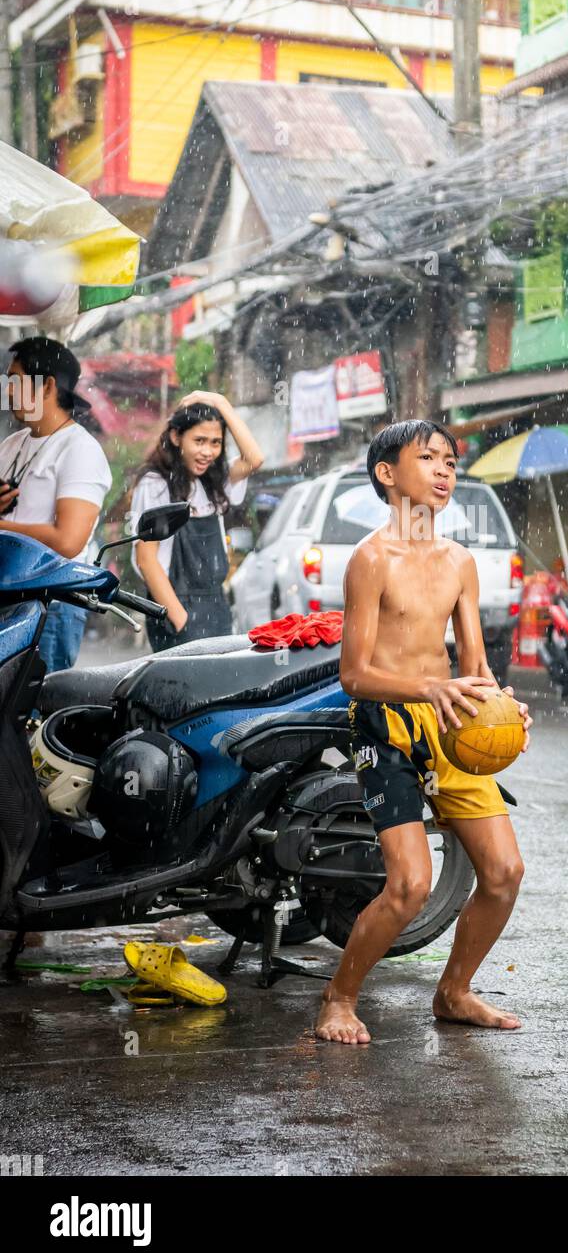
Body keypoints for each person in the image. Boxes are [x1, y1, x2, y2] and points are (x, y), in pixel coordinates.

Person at [316, 419, 533, 1045]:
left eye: (451, 461)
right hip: (384, 722)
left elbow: (475, 667)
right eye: (428, 458)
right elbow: (355, 676)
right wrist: (428, 689)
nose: (444, 470)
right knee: (410, 884)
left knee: (504, 873)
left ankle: (454, 991)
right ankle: (339, 997)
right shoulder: (371, 559)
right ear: (388, 475)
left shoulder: (460, 562)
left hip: (450, 721)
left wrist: (502, 707)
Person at [0, 337, 111, 672]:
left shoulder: (80, 449)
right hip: (8, 593)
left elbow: (68, 540)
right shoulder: (12, 444)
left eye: (14, 381)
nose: (7, 391)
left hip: (49, 601)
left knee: (34, 712)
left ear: (46, 386)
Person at [130, 391, 264, 652]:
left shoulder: (214, 480)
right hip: (175, 607)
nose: (207, 451)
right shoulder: (156, 483)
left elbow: (254, 458)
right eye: (199, 440)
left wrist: (221, 402)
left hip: (216, 605)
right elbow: (147, 560)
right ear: (176, 437)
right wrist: (180, 620)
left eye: (215, 442)